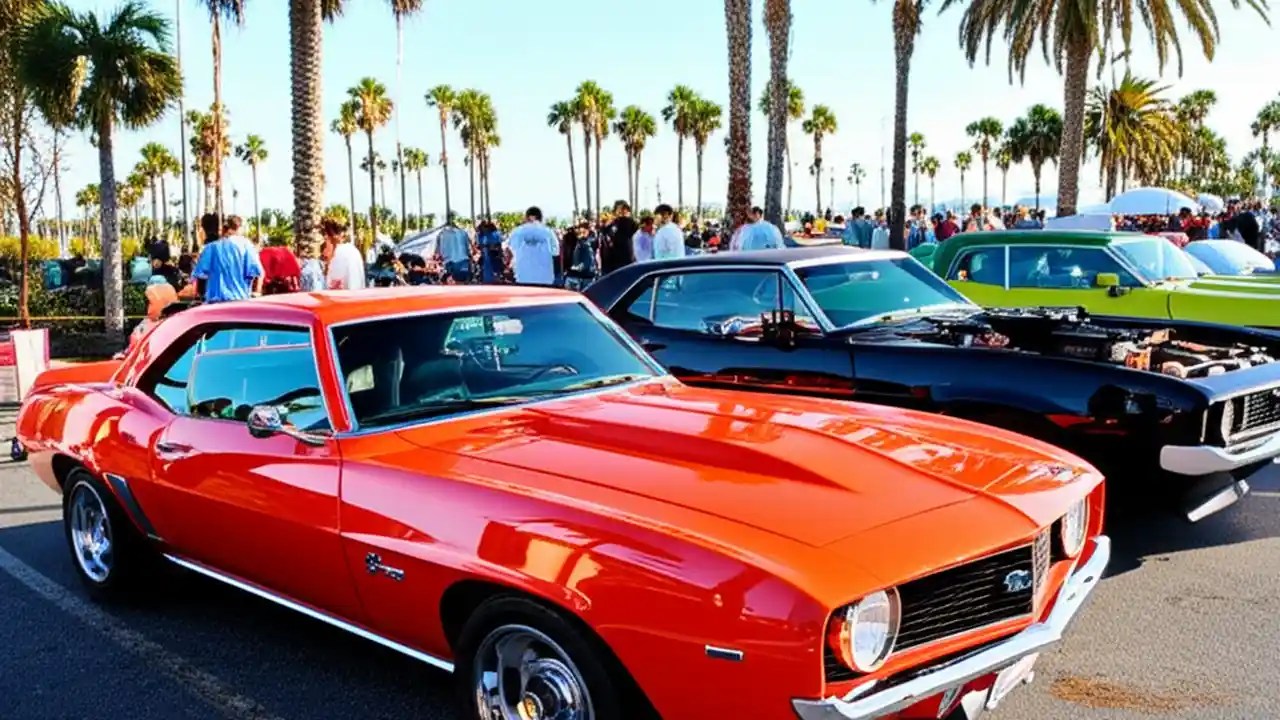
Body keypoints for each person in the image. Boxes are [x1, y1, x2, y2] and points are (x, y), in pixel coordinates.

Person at [192, 213, 262, 303]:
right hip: (240, 301)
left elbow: (201, 278)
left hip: (214, 304)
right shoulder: (247, 246)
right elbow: (256, 274)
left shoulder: (210, 248)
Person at [508, 206, 559, 285]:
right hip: (545, 278)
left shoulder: (517, 232)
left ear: (530, 217)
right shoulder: (549, 232)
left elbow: (510, 249)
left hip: (523, 277)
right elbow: (555, 252)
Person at [324, 217, 366, 290]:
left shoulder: (339, 253)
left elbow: (333, 282)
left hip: (341, 297)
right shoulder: (353, 250)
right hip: (356, 295)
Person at [601, 200, 638, 273]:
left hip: (627, 262)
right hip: (613, 264)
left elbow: (632, 228)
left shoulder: (630, 223)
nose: (623, 212)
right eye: (620, 210)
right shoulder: (611, 226)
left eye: (625, 210)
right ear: (615, 212)